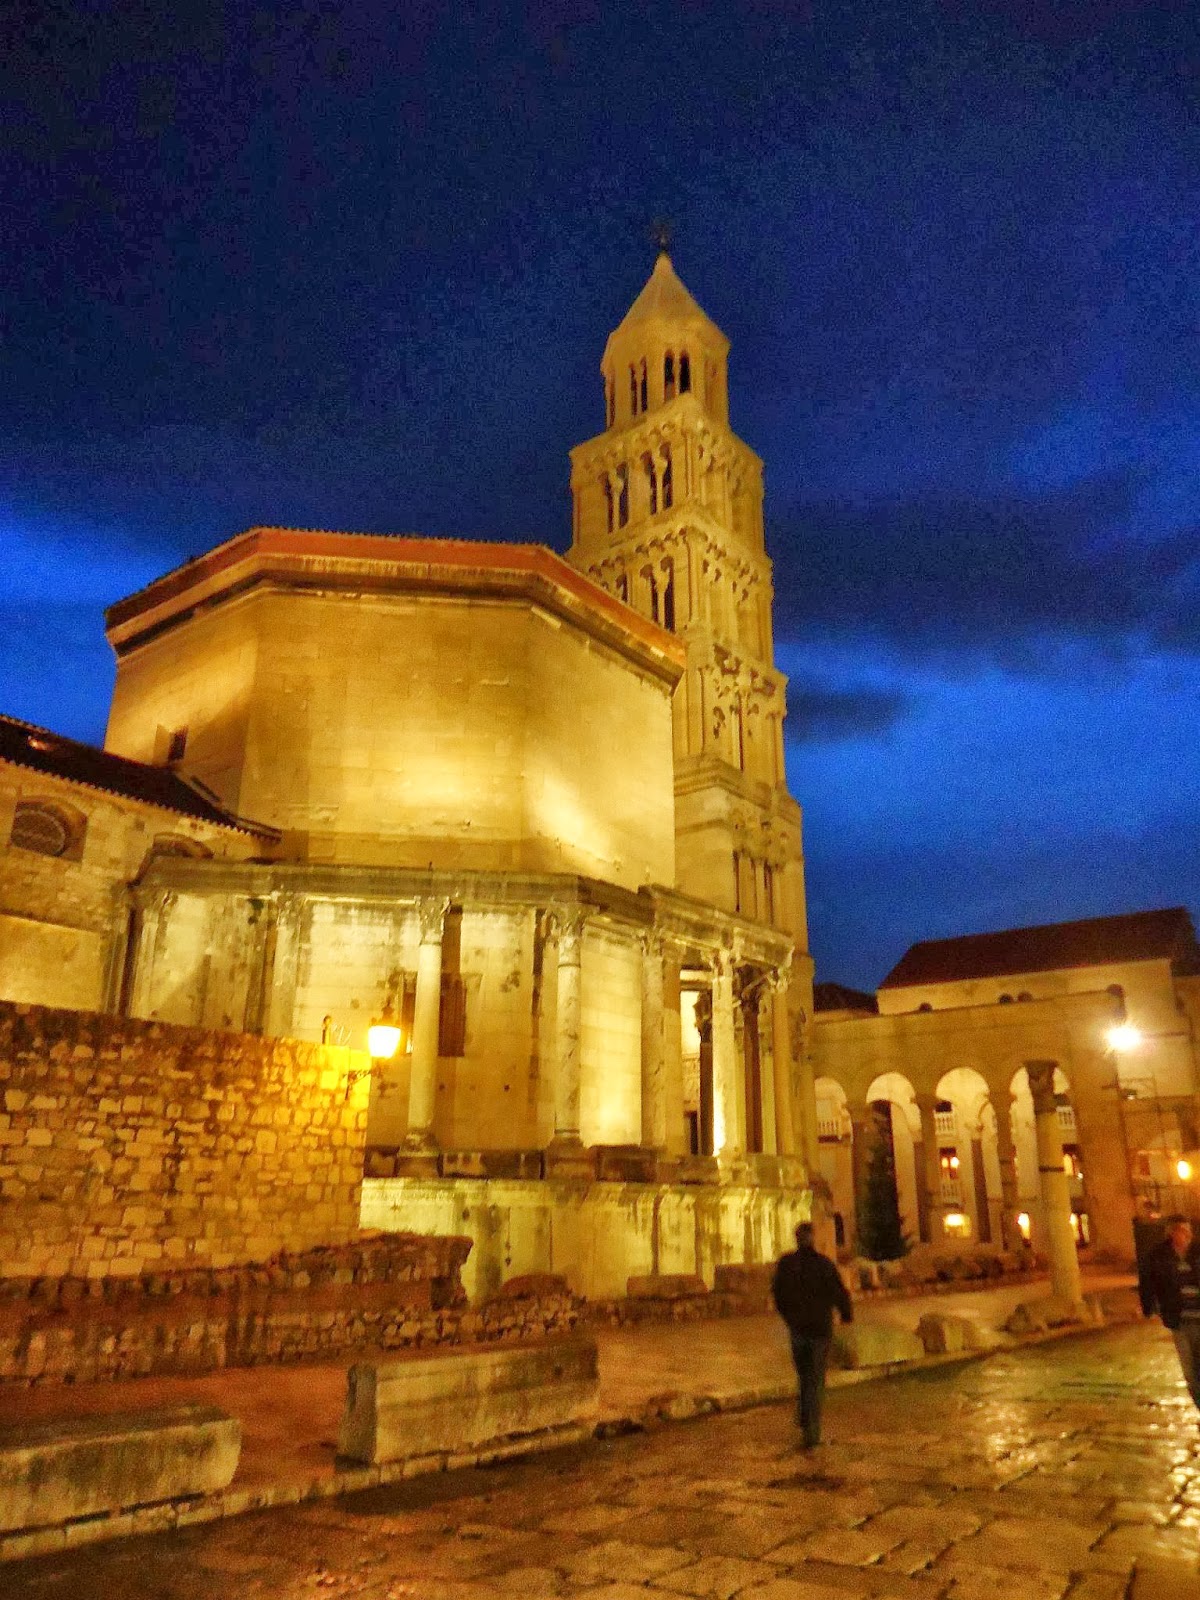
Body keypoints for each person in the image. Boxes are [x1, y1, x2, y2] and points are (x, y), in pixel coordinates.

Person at [771, 1221, 853, 1449]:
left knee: (804, 1374)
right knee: (815, 1378)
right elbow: (838, 1292)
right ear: (812, 1239)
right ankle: (812, 1431)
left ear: (796, 1239)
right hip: (819, 1330)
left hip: (798, 1329)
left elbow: (777, 1294)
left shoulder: (787, 1264)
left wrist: (788, 1318)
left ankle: (805, 1416)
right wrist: (846, 1315)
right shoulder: (823, 1265)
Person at [1139, 1214, 1200, 1409]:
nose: (1186, 1235)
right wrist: (1149, 1307)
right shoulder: (1159, 1255)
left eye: (1187, 1230)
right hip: (1179, 1319)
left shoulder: (1197, 1251)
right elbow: (1149, 1282)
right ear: (1171, 1233)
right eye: (1181, 1231)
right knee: (1189, 1369)